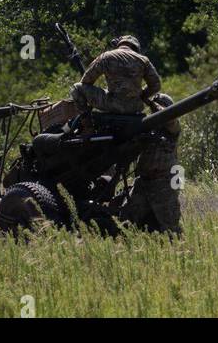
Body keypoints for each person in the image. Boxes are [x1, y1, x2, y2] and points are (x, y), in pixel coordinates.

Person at [70, 36, 182, 234]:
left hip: (163, 183)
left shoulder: (171, 126)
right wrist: (141, 97)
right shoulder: (143, 61)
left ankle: (86, 126)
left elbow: (86, 81)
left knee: (172, 229)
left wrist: (103, 98)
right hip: (143, 180)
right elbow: (156, 85)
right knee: (126, 222)